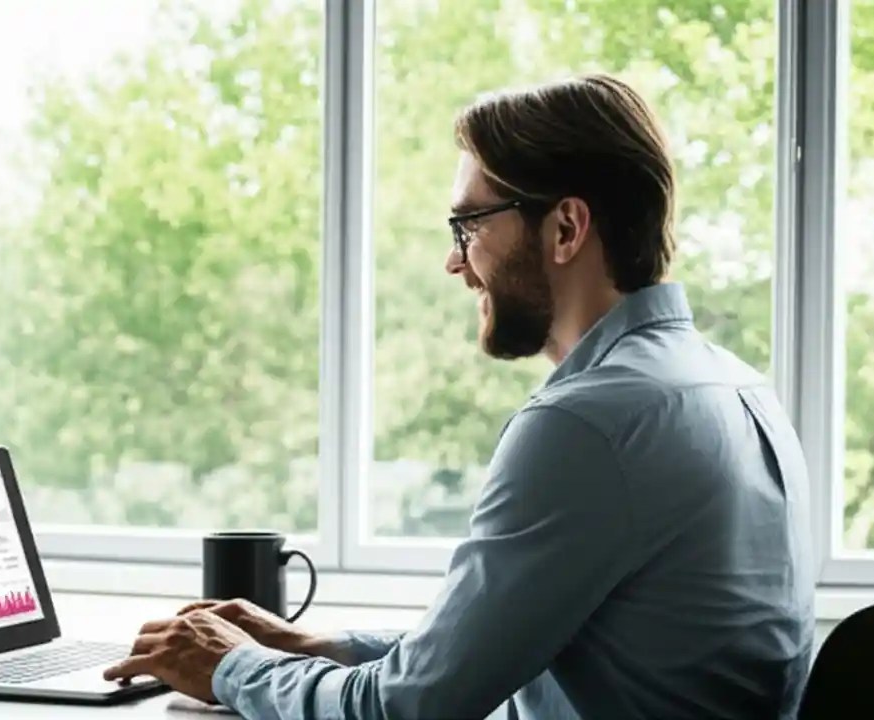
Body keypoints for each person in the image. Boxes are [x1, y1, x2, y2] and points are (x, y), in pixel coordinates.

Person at [104, 73, 815, 719]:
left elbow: (405, 712)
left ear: (565, 228)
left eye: (469, 224)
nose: (454, 261)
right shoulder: (737, 388)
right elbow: (505, 650)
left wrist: (233, 668)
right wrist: (319, 645)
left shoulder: (586, 425)